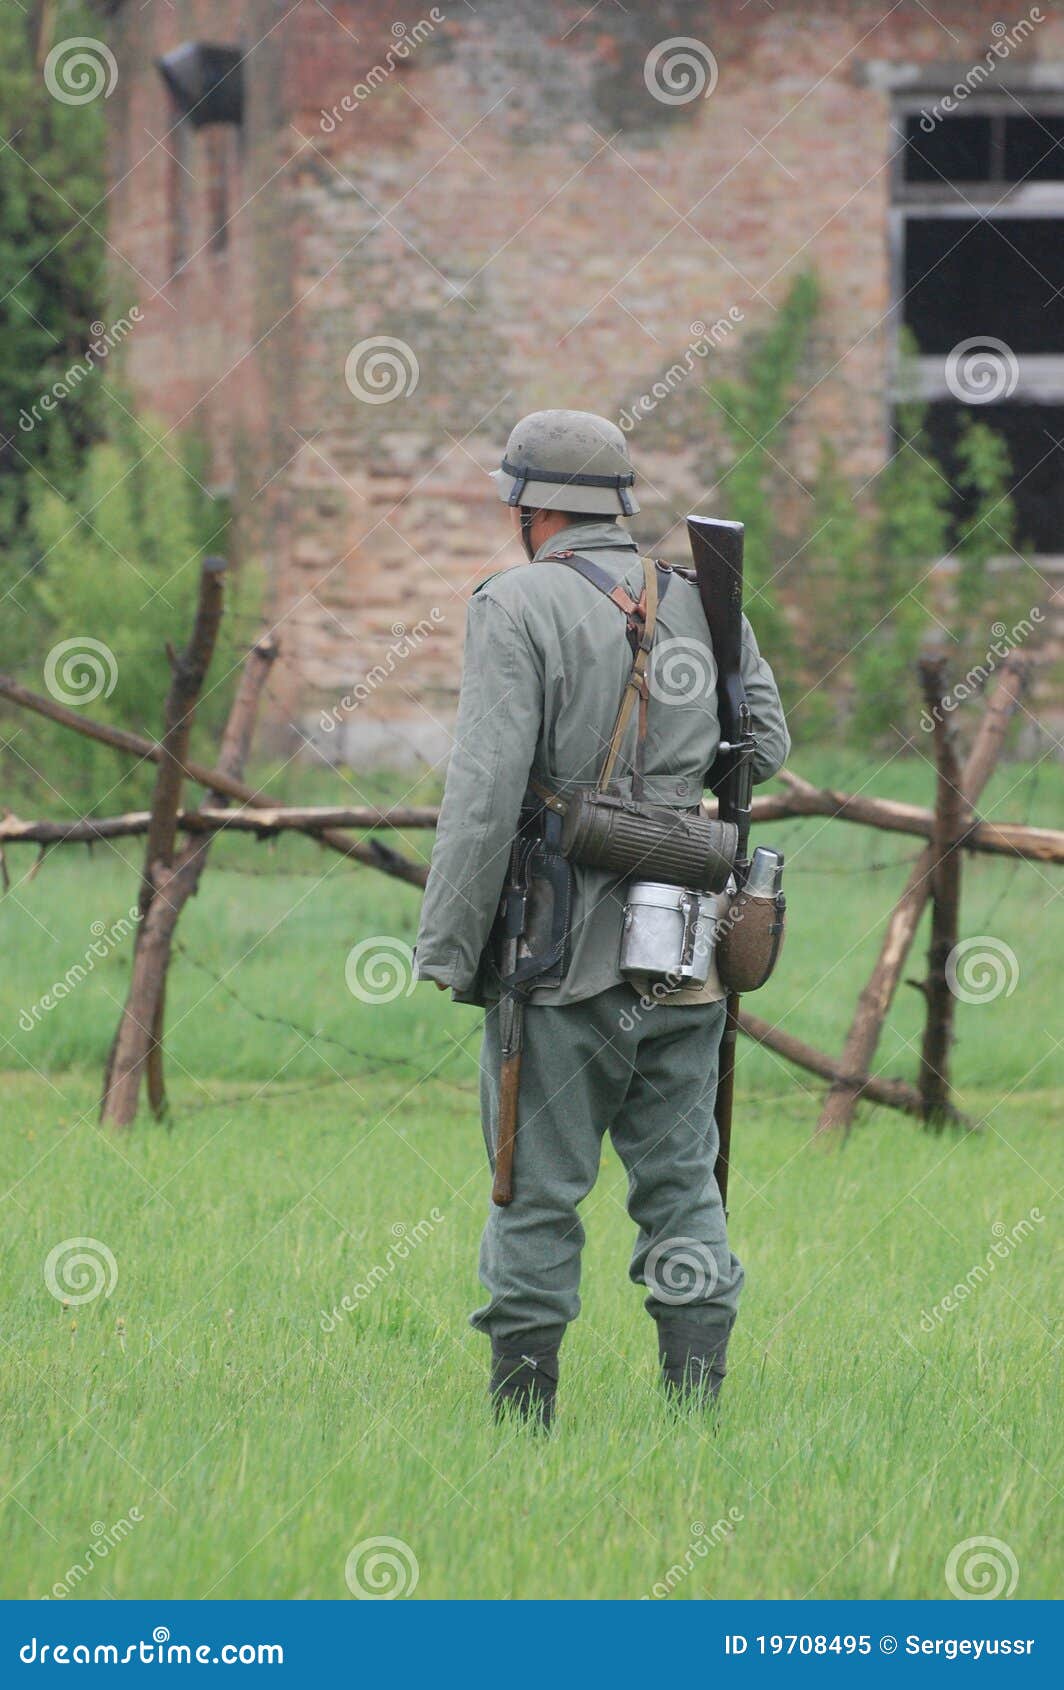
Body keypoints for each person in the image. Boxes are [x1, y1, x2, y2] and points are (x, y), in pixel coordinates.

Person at [415, 409, 789, 1427]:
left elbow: (485, 792)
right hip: (689, 953)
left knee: (533, 1191)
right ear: (614, 504)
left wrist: (449, 946)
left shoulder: (514, 602)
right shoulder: (703, 597)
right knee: (683, 1188)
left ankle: (520, 1427)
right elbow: (762, 744)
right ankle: (694, 1416)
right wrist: (672, 780)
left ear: (529, 508)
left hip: (557, 955)